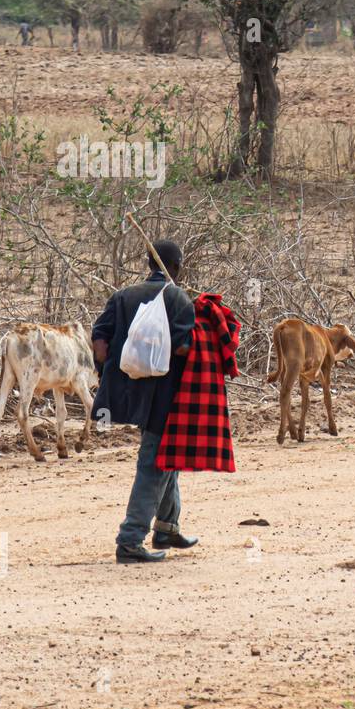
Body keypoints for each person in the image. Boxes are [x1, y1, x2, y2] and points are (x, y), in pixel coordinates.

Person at [91, 239, 198, 563]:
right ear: (176, 266)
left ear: (149, 263)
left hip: (129, 394)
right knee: (154, 464)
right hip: (165, 398)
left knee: (168, 457)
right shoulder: (178, 298)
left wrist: (110, 377)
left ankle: (167, 527)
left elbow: (100, 342)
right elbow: (182, 348)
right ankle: (130, 540)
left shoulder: (123, 296)